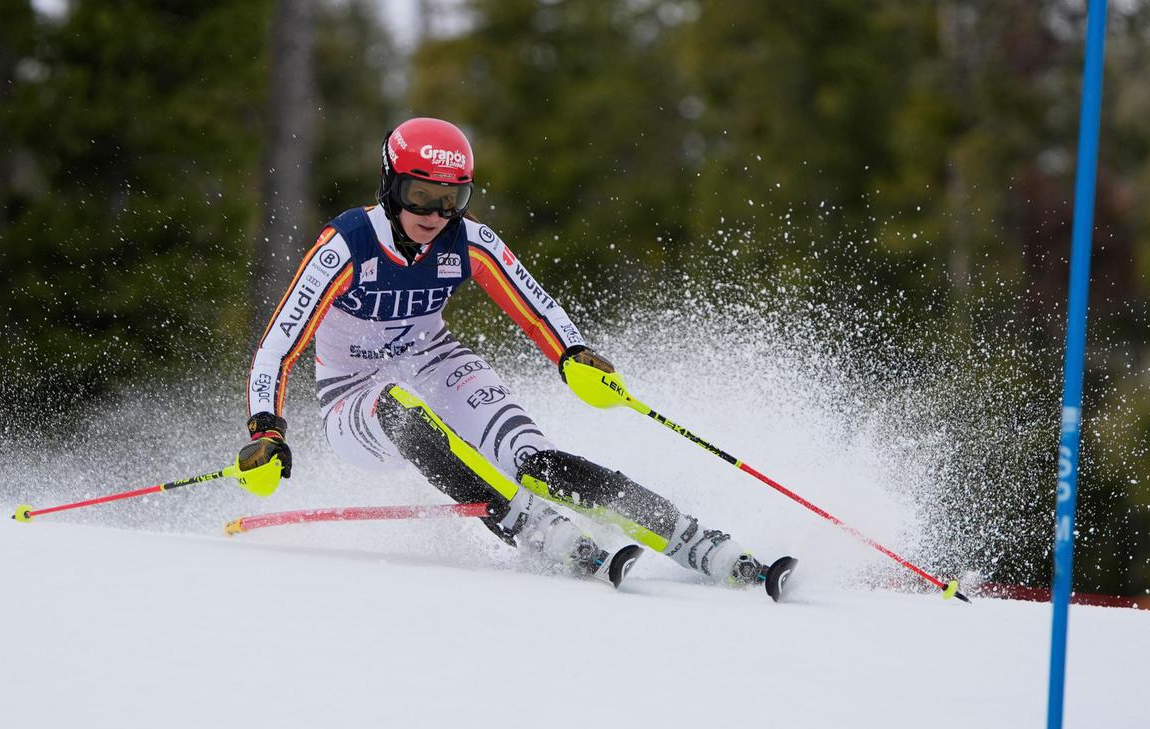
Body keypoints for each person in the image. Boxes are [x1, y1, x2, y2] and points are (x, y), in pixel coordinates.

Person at [238, 117, 793, 596]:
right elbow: (278, 346)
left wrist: (573, 354)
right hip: (354, 396)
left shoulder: (467, 241)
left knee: (534, 459)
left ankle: (697, 541)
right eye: (419, 195)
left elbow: (536, 308)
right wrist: (267, 429)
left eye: (451, 198)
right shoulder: (348, 244)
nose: (434, 214)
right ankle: (532, 528)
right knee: (400, 409)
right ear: (390, 186)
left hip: (435, 362)